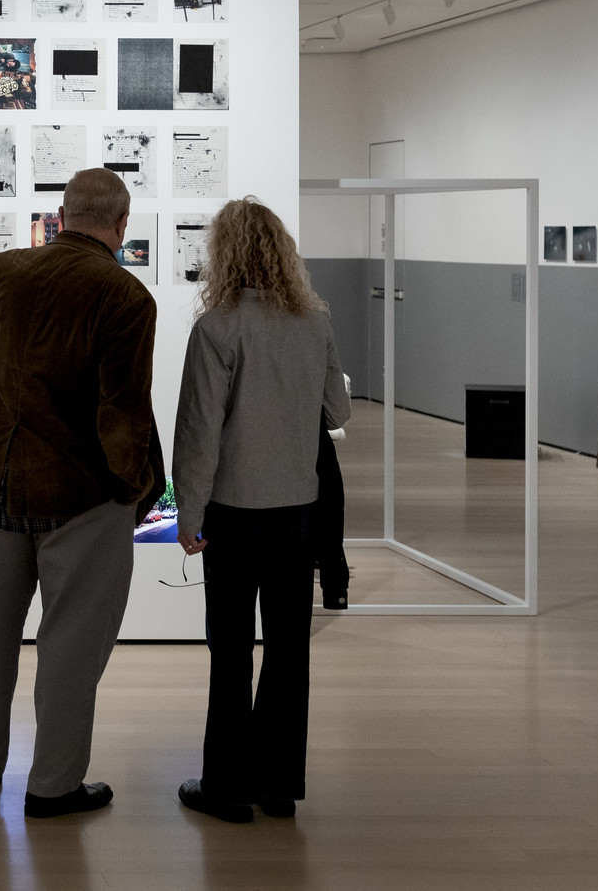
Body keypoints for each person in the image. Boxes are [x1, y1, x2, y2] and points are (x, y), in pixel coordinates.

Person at [0, 168, 167, 819]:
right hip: (82, 498)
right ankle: (52, 787)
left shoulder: (7, 270)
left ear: (61, 216)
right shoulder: (127, 298)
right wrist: (136, 491)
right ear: (121, 224)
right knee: (69, 647)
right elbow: (124, 412)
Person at [172, 198, 351, 824]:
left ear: (226, 254)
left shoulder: (217, 328)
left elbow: (199, 433)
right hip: (297, 512)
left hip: (234, 512)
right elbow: (341, 413)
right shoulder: (314, 324)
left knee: (231, 652)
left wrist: (185, 515)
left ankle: (226, 788)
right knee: (288, 650)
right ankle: (277, 786)